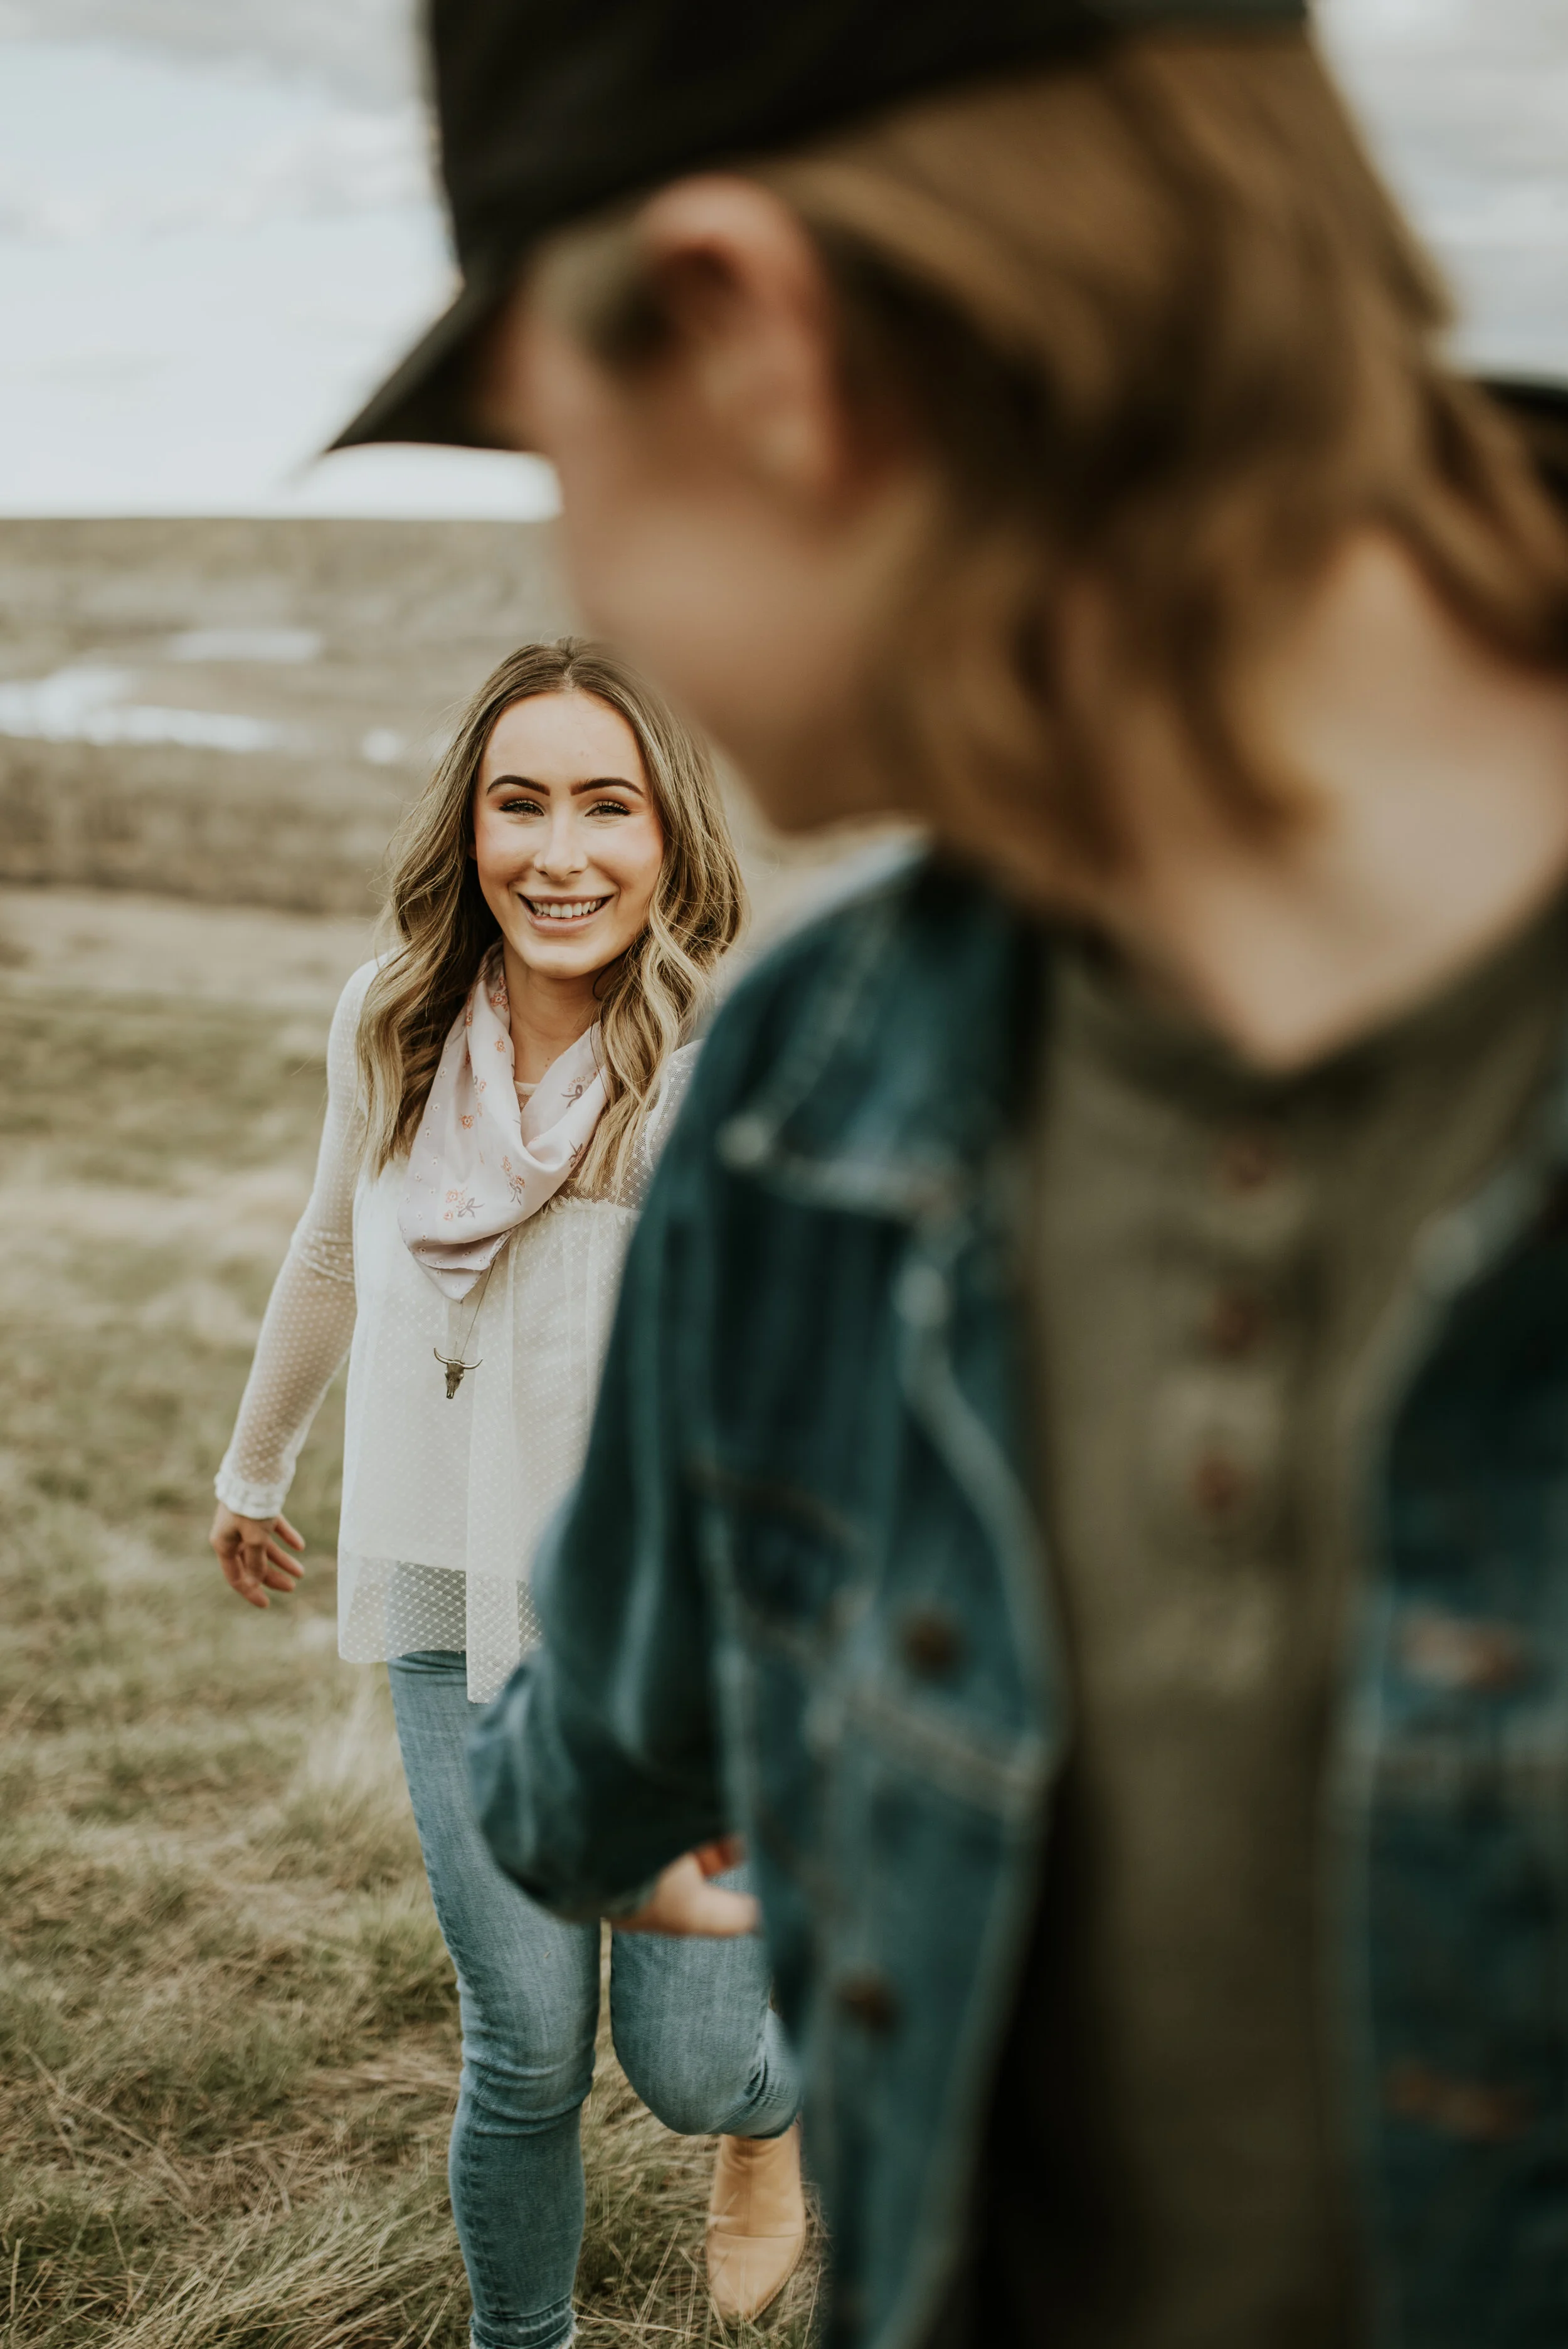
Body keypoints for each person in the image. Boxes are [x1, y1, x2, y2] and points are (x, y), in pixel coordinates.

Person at [337, 5, 1568, 2345]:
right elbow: (602, 1752)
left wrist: (603, 1793)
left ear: (751, 339)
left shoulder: (773, 1077)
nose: (586, 561)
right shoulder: (820, 1084)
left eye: (556, 451)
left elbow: (589, 1770)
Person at [206, 638, 805, 2348]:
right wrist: (255, 1464)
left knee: (684, 2062)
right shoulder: (391, 1016)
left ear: (671, 837)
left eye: (606, 807)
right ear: (465, 827)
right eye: (517, 804)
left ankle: (768, 2113)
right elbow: (333, 1248)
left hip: (671, 1639)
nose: (559, 854)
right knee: (524, 2051)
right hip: (446, 1588)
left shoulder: (720, 1058)